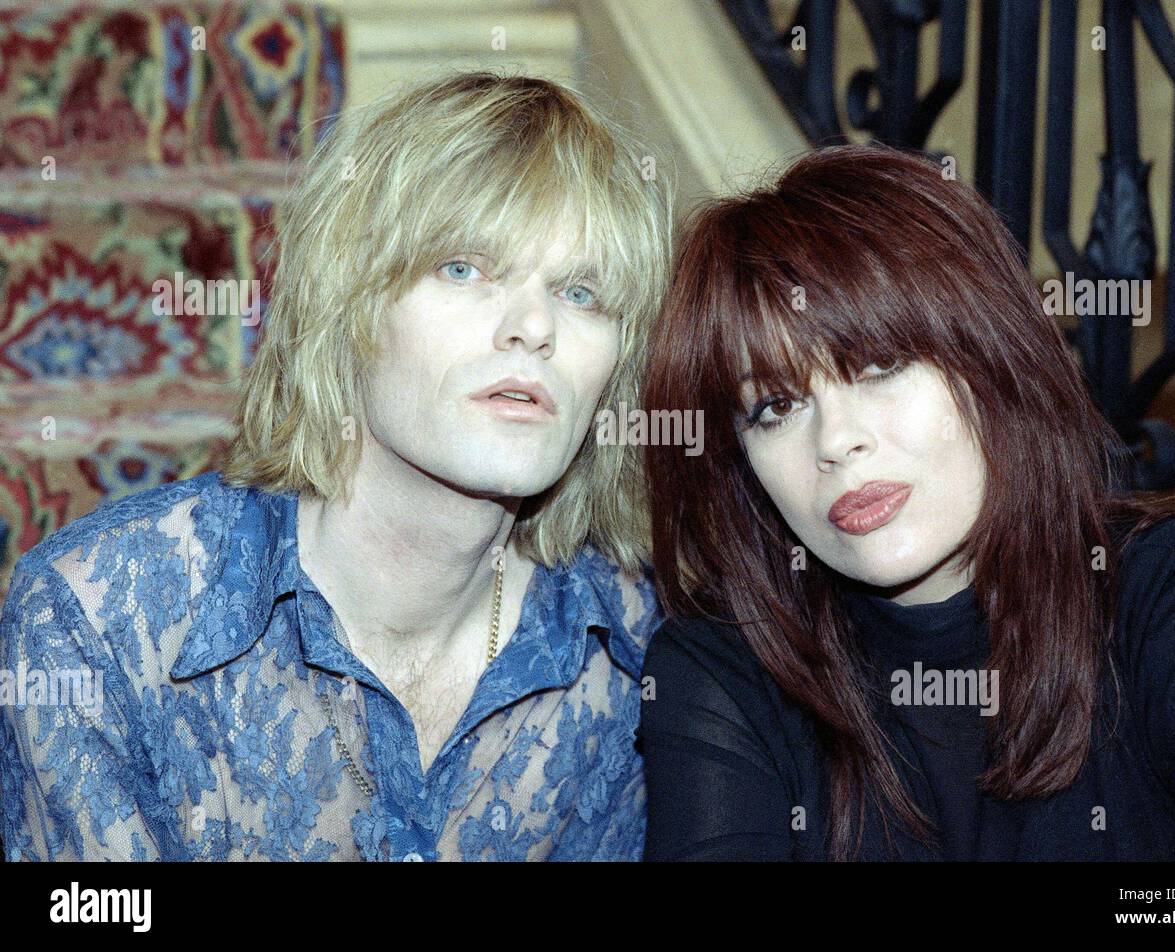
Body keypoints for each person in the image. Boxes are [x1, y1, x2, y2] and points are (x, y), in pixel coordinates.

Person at [0, 71, 673, 861]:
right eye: (464, 267)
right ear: (344, 308)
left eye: (582, 292)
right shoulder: (100, 621)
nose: (534, 327)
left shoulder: (634, 646)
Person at [637, 142, 1175, 861]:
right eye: (775, 406)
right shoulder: (720, 667)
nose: (837, 440)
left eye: (881, 366)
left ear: (991, 360)